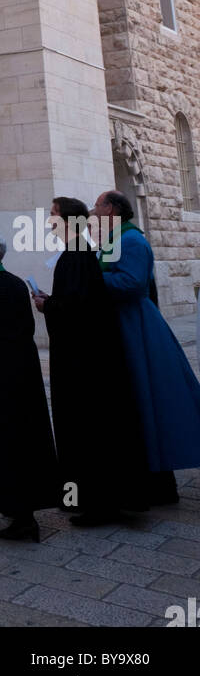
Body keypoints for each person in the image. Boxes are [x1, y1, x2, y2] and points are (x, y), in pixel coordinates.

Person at [32, 197, 148, 525]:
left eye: (52, 215)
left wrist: (48, 307)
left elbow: (79, 309)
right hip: (82, 358)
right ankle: (80, 499)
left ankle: (96, 505)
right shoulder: (79, 253)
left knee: (88, 433)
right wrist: (54, 303)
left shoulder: (77, 255)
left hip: (83, 363)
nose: (48, 222)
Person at [92, 190, 200, 503]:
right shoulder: (115, 240)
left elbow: (132, 282)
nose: (94, 211)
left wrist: (87, 280)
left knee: (148, 397)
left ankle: (160, 483)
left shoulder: (132, 240)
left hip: (136, 327)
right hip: (122, 325)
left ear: (111, 208)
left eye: (98, 206)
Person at [0, 230, 59, 542]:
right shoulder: (17, 284)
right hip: (23, 371)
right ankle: (25, 510)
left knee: (1, 442)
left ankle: (16, 512)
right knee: (24, 440)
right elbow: (28, 327)